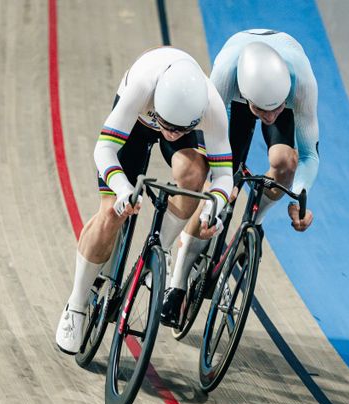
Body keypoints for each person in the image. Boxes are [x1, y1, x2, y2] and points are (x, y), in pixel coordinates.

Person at [55, 47, 232, 354]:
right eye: (167, 126)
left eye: (181, 130)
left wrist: (214, 208)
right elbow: (104, 149)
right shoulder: (143, 85)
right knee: (111, 213)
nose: (172, 135)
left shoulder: (211, 106)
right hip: (137, 122)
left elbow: (224, 176)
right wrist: (123, 189)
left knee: (194, 174)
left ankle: (158, 248)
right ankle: (77, 304)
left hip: (171, 115)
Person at [160, 29, 320, 327]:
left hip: (271, 90)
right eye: (262, 110)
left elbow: (310, 156)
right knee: (216, 180)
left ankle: (254, 225)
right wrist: (223, 181)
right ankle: (177, 280)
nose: (269, 117)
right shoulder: (225, 73)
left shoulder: (301, 82)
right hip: (231, 104)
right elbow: (209, 141)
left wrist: (299, 195)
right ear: (249, 96)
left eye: (275, 109)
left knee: (286, 162)